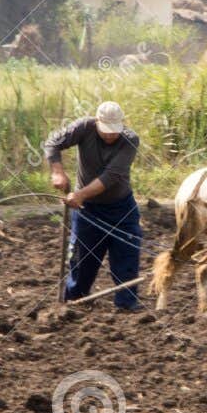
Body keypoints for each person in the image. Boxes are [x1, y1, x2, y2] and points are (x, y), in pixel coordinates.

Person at [43, 101, 143, 312]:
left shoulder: (130, 139)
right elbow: (52, 142)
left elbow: (111, 176)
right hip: (88, 210)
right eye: (105, 131)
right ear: (97, 122)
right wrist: (57, 171)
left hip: (121, 209)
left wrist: (79, 194)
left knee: (126, 258)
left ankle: (127, 306)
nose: (110, 135)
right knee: (81, 260)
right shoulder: (83, 127)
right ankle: (74, 303)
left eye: (114, 131)